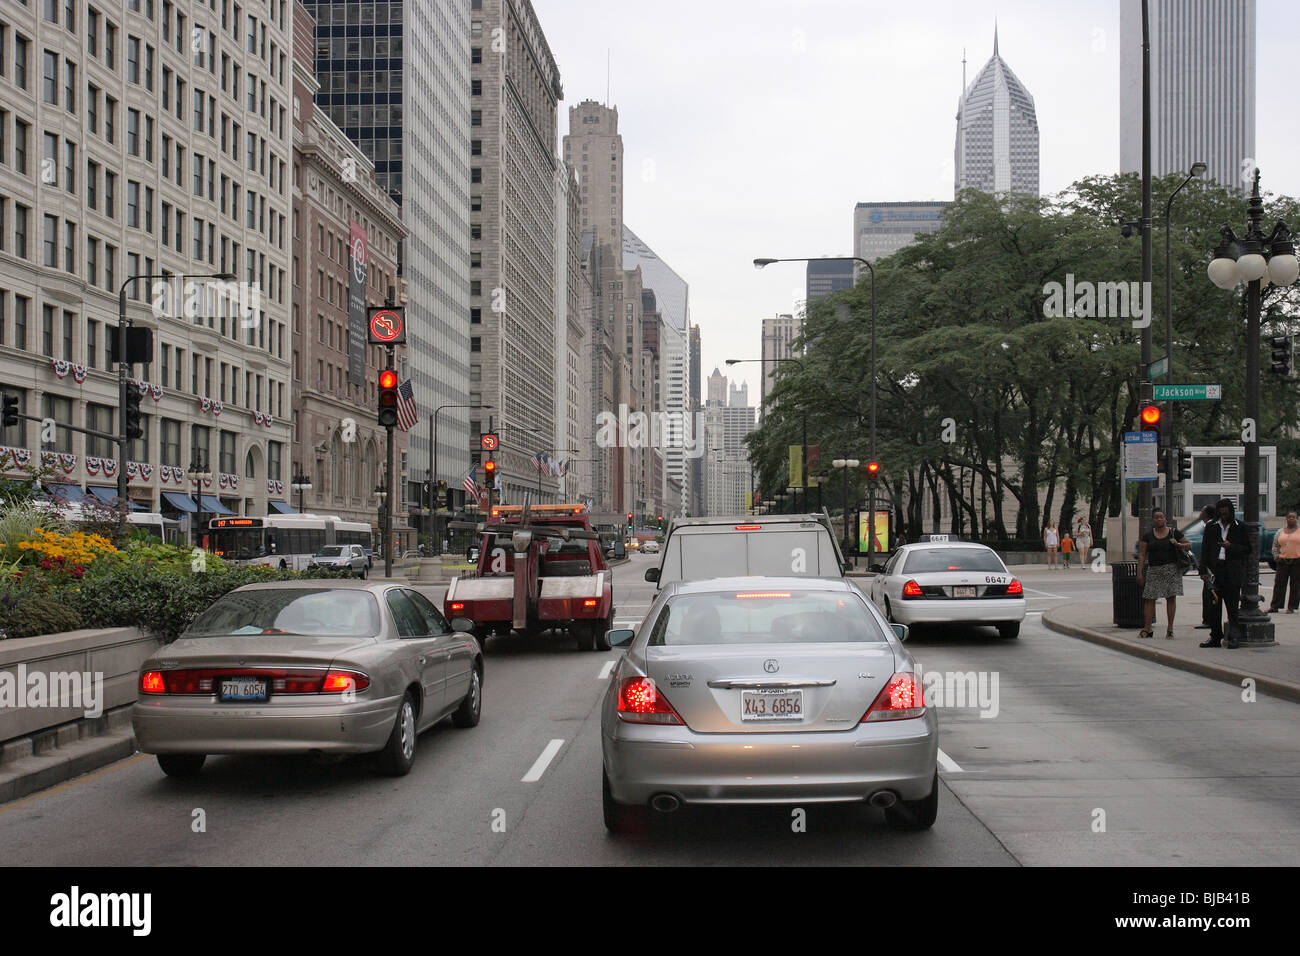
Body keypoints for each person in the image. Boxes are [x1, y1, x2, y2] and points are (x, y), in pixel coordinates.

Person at [1200, 497, 1250, 649]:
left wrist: (1231, 546)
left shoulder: (1240, 527)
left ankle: (1233, 636)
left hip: (1232, 571)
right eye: (1221, 514)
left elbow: (1248, 549)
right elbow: (1205, 549)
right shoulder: (1211, 527)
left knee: (1232, 607)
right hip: (1216, 570)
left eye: (1226, 514)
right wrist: (1203, 570)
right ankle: (1215, 636)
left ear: (1231, 513)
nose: (1224, 517)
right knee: (1214, 606)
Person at [1137, 509, 1192, 639]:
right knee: (1150, 598)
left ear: (1165, 519)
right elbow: (1142, 555)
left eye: (1161, 517)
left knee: (1171, 598)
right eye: (1156, 517)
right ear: (1153, 520)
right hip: (1154, 569)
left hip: (1171, 568)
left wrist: (1178, 544)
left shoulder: (1174, 533)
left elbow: (1188, 545)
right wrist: (1139, 573)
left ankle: (1170, 628)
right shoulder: (1148, 536)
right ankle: (1147, 628)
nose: (1159, 519)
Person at [1268, 511, 1300, 613]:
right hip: (1282, 561)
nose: (1291, 519)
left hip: (1297, 561)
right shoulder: (1280, 532)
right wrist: (1276, 556)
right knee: (1279, 584)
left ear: (1297, 519)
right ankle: (1275, 606)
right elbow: (1275, 545)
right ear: (1286, 519)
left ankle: (1291, 607)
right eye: (1289, 517)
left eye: (1294, 517)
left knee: (1295, 585)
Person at [1194, 504, 1218, 630]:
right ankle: (1209, 619)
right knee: (1209, 593)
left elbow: (1206, 549)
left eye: (1202, 510)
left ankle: (1209, 620)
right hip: (1211, 565)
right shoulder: (1210, 525)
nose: (1200, 512)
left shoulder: (1210, 525)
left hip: (1211, 566)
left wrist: (1203, 567)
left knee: (1209, 593)